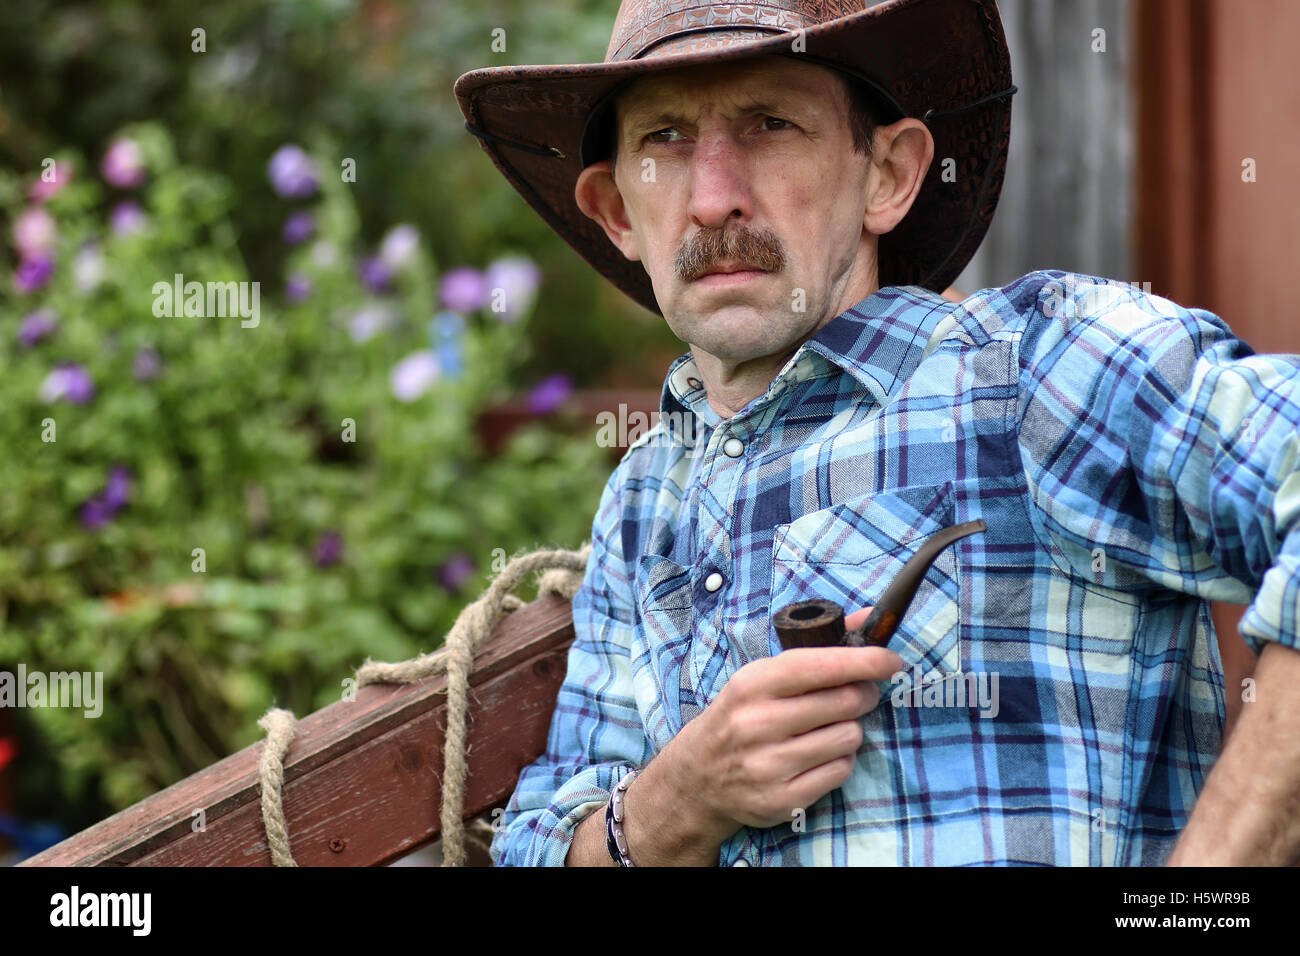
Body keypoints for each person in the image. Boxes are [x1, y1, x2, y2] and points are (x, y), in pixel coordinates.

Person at [454, 0, 1300, 865]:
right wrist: (679, 799)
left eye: (770, 123)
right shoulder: (642, 498)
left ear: (889, 175)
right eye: (665, 140)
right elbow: (539, 838)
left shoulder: (1039, 368)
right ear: (618, 211)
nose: (712, 199)